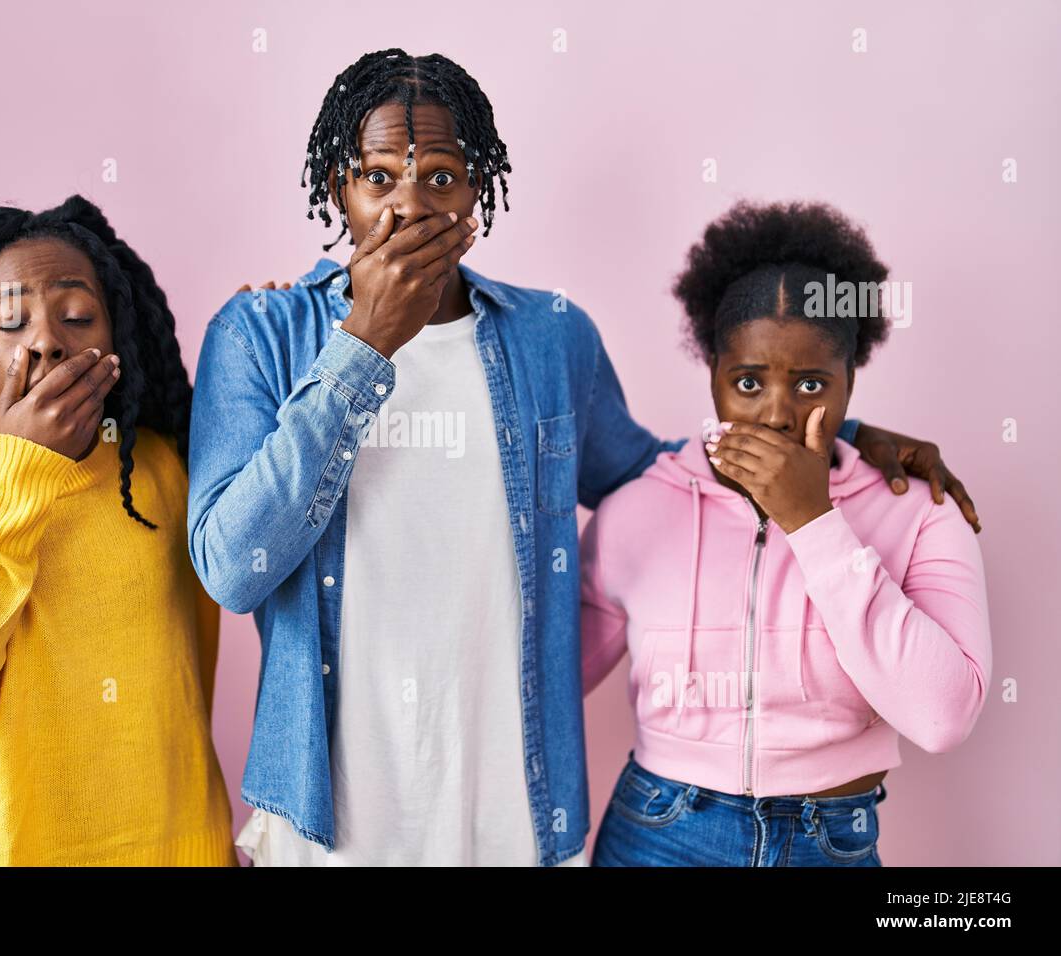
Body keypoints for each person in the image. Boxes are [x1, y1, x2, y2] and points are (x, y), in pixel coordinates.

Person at [188, 50, 978, 866]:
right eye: (377, 177)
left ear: (478, 194)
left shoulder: (551, 338)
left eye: (442, 178)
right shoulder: (260, 335)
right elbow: (229, 569)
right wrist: (364, 344)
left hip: (510, 807)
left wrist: (840, 435)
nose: (407, 209)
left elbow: (661, 474)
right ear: (335, 190)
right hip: (334, 809)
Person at [580, 200, 991, 866]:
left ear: (851, 380)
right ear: (711, 372)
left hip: (830, 840)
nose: (776, 413)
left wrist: (814, 521)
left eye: (810, 383)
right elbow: (540, 683)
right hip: (659, 833)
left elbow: (943, 719)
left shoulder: (920, 508)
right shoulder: (637, 508)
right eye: (747, 381)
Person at [0, 195, 237, 865]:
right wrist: (22, 475)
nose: (46, 340)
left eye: (77, 315)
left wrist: (263, 342)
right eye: (10, 321)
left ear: (117, 333)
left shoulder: (161, 464)